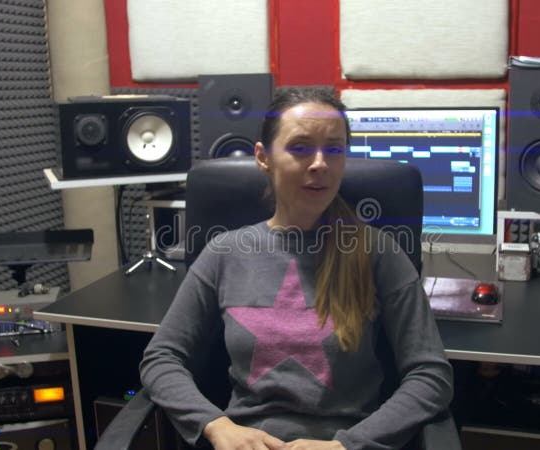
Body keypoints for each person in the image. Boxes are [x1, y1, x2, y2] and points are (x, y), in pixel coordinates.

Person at [140, 87, 454, 450]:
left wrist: (348, 445)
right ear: (263, 157)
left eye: (334, 149)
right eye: (301, 147)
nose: (320, 163)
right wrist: (215, 425)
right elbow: (161, 358)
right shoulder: (224, 253)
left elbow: (431, 376)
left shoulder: (378, 251)